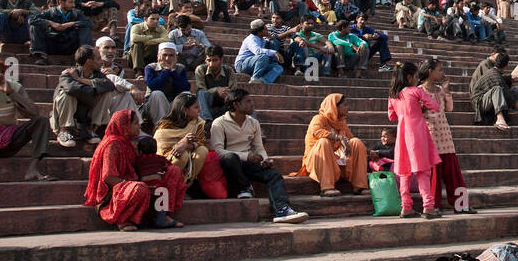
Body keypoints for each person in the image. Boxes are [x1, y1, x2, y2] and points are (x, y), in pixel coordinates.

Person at [206, 89, 307, 223]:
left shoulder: (253, 123)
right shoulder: (219, 123)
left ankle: (282, 209)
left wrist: (264, 160)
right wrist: (246, 156)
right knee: (230, 158)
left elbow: (259, 147)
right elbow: (217, 150)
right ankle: (245, 186)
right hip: (230, 165)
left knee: (274, 175)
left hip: (249, 163)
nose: (252, 104)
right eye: (248, 101)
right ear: (236, 105)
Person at [85, 111, 184, 231]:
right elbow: (109, 177)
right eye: (136, 123)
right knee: (139, 188)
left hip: (134, 182)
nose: (139, 126)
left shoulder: (128, 143)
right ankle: (123, 220)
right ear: (125, 125)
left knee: (174, 171)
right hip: (114, 191)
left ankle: (161, 215)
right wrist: (132, 184)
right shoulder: (112, 145)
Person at [387, 62, 442, 218]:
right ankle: (428, 206)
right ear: (409, 77)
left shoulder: (393, 95)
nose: (417, 79)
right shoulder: (415, 91)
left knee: (405, 172)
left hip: (402, 135)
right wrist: (420, 106)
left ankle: (406, 207)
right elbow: (435, 106)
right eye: (416, 76)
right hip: (417, 134)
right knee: (423, 170)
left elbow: (391, 116)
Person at [419, 57, 473, 214]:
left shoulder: (440, 90)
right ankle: (433, 206)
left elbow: (449, 108)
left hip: (445, 136)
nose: (442, 72)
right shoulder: (419, 91)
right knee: (433, 175)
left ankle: (461, 205)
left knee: (453, 173)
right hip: (430, 135)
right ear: (430, 72)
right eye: (440, 70)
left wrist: (447, 90)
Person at [152, 92, 226, 198]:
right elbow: (161, 150)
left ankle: (184, 187)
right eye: (196, 107)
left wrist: (185, 145)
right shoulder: (164, 125)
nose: (199, 110)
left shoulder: (198, 122)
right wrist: (180, 145)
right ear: (185, 110)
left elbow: (201, 142)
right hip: (166, 161)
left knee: (202, 151)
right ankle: (171, 187)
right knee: (182, 156)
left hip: (190, 158)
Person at [300, 93, 370, 198]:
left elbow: (350, 139)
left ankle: (360, 186)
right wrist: (338, 137)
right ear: (334, 106)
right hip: (317, 161)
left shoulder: (341, 122)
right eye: (345, 105)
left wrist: (370, 152)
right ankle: (326, 187)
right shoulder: (319, 118)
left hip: (335, 161)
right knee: (323, 142)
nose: (348, 107)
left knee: (356, 142)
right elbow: (316, 131)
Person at [49, 45, 115, 148]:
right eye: (98, 59)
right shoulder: (68, 74)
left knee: (106, 93)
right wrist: (93, 90)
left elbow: (110, 85)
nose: (102, 61)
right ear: (89, 61)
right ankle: (64, 130)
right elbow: (72, 89)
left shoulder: (98, 74)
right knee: (67, 94)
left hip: (85, 113)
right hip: (69, 113)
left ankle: (91, 129)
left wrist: (80, 80)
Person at [469, 50, 518, 130]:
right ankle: (500, 119)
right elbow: (503, 90)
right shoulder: (493, 74)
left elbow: (502, 80)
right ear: (507, 65)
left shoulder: (496, 73)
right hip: (479, 103)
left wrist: (510, 78)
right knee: (497, 89)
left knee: (517, 91)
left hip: (488, 100)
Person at [29, 0, 93, 64]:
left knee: (85, 27)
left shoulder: (77, 13)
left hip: (70, 45)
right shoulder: (50, 12)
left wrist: (72, 24)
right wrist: (51, 23)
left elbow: (89, 23)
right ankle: (40, 56)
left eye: (74, 2)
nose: (73, 5)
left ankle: (84, 57)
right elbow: (31, 20)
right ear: (61, 2)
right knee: (35, 25)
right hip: (52, 44)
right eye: (70, 2)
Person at [142, 43, 191, 127]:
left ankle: (182, 126)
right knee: (157, 93)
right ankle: (163, 126)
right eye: (164, 55)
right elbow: (154, 86)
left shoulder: (180, 68)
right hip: (153, 104)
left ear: (176, 57)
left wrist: (173, 72)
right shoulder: (150, 68)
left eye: (171, 55)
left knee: (186, 94)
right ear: (158, 56)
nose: (168, 58)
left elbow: (184, 87)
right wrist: (166, 71)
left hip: (173, 103)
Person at [193, 45, 236, 122]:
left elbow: (233, 91)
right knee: (201, 93)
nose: (211, 64)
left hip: (224, 105)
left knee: (244, 99)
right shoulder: (201, 69)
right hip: (206, 106)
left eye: (215, 60)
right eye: (209, 60)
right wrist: (216, 90)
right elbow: (201, 90)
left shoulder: (229, 71)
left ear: (221, 59)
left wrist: (226, 93)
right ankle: (206, 122)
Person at [235, 19, 285, 83]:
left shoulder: (262, 39)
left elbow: (271, 40)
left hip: (257, 64)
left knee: (278, 68)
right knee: (263, 56)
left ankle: (263, 81)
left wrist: (270, 38)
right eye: (265, 29)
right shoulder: (251, 39)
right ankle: (255, 78)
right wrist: (275, 53)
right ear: (259, 32)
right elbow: (257, 51)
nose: (267, 30)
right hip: (242, 65)